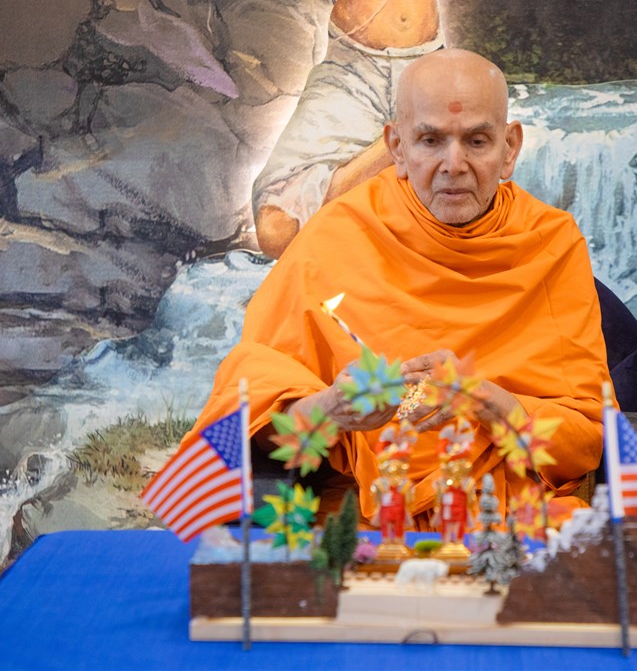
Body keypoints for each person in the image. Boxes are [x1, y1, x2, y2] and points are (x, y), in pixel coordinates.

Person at [187, 49, 611, 529]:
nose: (454, 164)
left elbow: (584, 444)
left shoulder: (550, 244)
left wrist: (484, 401)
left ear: (509, 148)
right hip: (359, 514)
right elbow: (268, 430)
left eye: (477, 140)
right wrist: (331, 410)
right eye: (430, 140)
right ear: (396, 147)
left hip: (508, 513)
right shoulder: (336, 238)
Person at [252, 0, 443, 259]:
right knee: (275, 230)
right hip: (350, 71)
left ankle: (408, 145)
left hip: (427, 68)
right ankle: (399, 144)